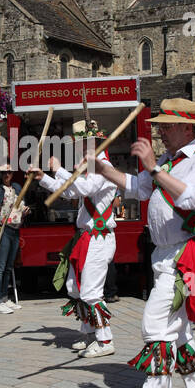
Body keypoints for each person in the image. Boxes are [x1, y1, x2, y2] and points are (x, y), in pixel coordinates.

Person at [89, 98, 195, 388]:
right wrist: (104, 169)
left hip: (188, 253)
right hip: (165, 254)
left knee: (155, 323)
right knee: (178, 331)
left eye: (166, 125)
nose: (160, 131)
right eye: (159, 125)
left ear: (187, 127)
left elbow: (190, 197)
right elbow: (139, 188)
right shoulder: (168, 159)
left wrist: (153, 167)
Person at [34, 120, 117, 354]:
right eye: (80, 146)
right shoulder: (91, 168)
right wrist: (43, 177)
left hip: (99, 238)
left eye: (85, 145)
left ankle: (105, 341)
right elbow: (71, 191)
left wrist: (59, 169)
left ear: (97, 144)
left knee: (90, 290)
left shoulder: (103, 166)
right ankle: (90, 333)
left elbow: (84, 189)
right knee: (76, 287)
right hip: (86, 238)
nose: (81, 150)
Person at [0, 163, 26, 315]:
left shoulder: (16, 188)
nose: (6, 175)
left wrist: (25, 210)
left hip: (14, 228)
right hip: (1, 229)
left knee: (8, 267)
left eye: (9, 172)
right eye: (4, 173)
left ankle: (4, 297)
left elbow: (20, 205)